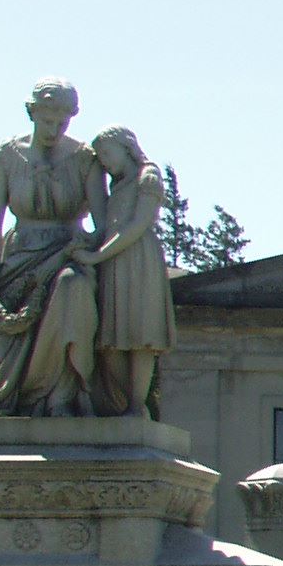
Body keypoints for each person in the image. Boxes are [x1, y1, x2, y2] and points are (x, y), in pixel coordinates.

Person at [0, 80, 104, 417]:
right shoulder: (6, 156)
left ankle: (57, 396)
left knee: (71, 288)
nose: (54, 130)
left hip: (69, 255)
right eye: (47, 121)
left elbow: (103, 225)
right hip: (19, 259)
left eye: (62, 122)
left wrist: (87, 251)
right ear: (32, 113)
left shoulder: (85, 159)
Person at [84, 125, 177, 418]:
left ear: (125, 147)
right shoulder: (117, 185)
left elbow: (138, 225)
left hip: (139, 260)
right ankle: (126, 403)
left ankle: (137, 405)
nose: (104, 162)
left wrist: (96, 255)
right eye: (100, 157)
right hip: (114, 261)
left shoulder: (148, 176)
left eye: (107, 153)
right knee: (112, 339)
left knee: (140, 337)